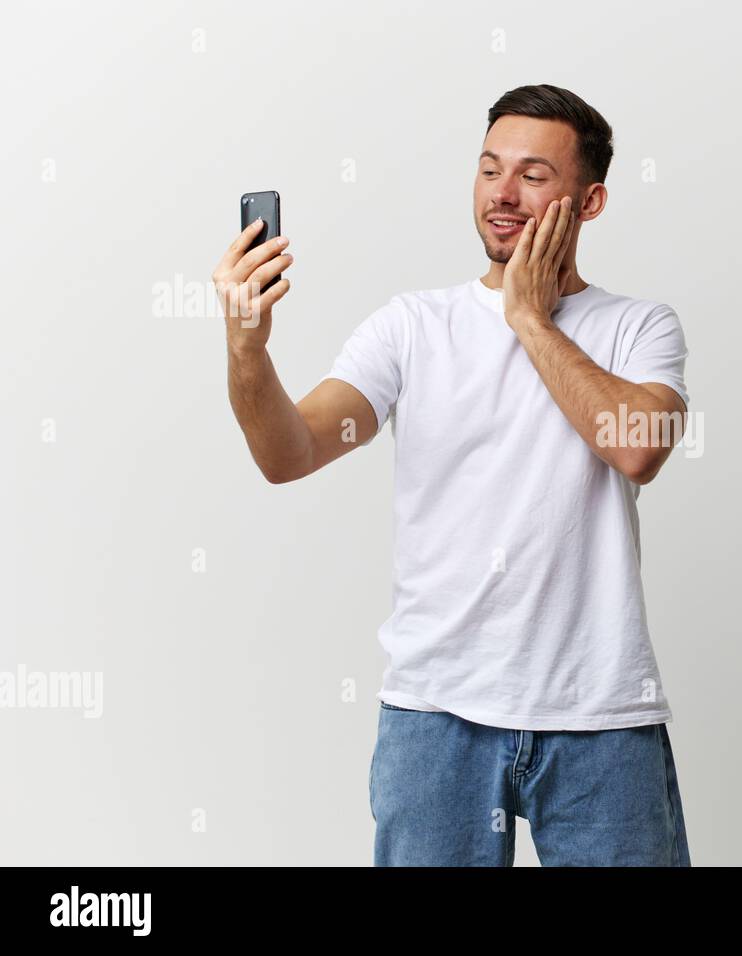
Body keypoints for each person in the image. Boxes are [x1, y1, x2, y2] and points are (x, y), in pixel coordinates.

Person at [212, 84, 691, 866]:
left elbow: (637, 445)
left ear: (590, 200)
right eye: (489, 169)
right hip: (435, 717)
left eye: (534, 176)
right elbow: (288, 453)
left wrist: (530, 319)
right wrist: (246, 352)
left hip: (601, 715)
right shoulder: (411, 327)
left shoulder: (639, 327)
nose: (503, 194)